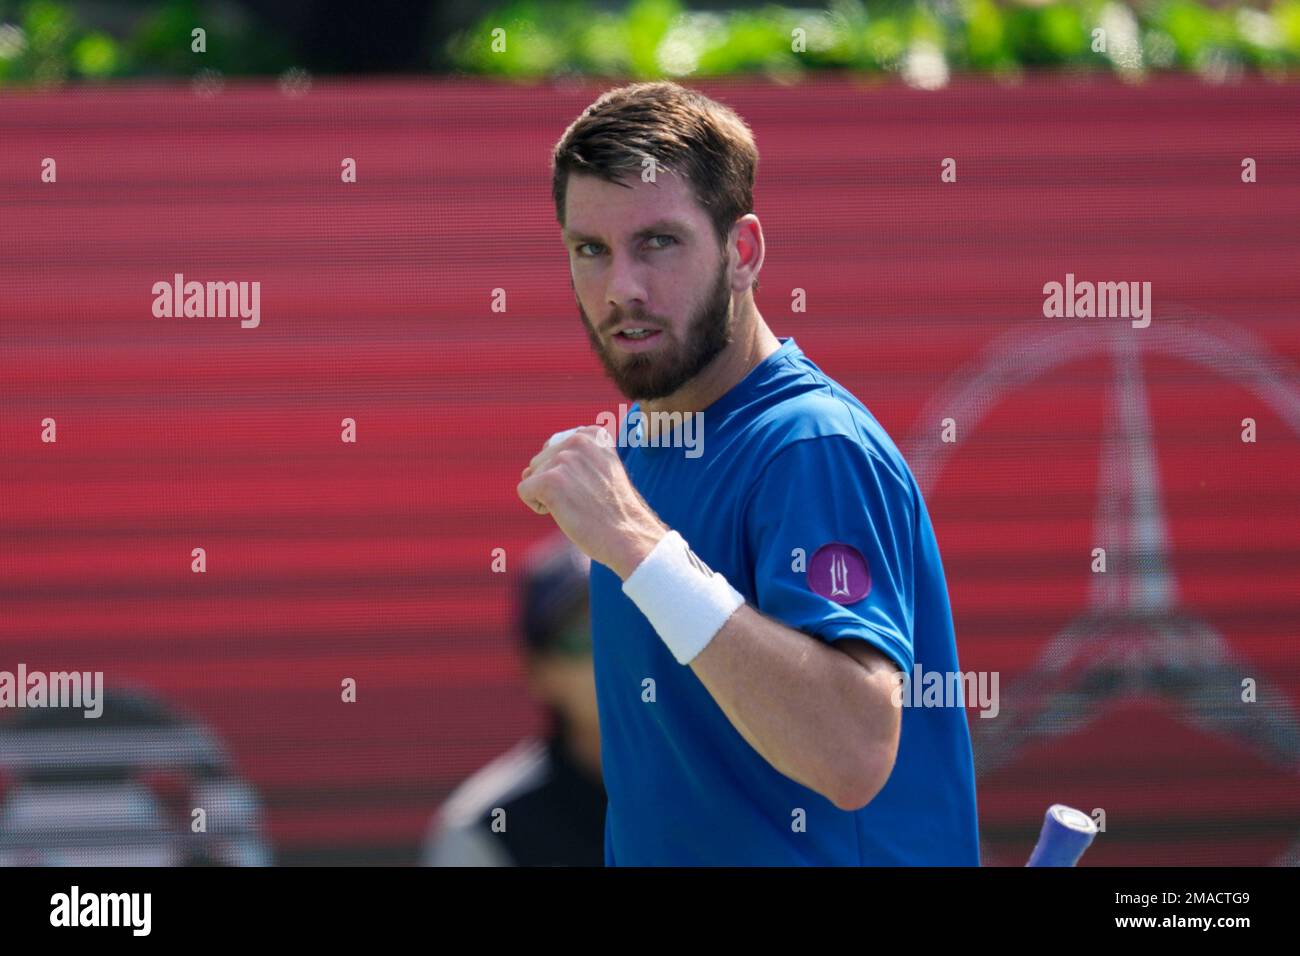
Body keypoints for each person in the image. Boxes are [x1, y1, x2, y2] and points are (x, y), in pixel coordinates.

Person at [517, 81, 980, 865]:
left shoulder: (810, 445)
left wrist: (635, 543)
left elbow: (853, 750)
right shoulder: (642, 439)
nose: (621, 286)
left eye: (658, 241)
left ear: (744, 253)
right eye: (590, 249)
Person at [422, 534, 605, 866]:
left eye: (631, 626)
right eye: (582, 634)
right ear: (536, 670)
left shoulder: (718, 785)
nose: (611, 654)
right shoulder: (485, 828)